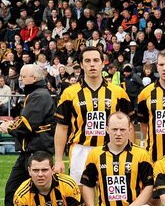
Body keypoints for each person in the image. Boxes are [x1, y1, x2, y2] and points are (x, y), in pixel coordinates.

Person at [53, 47, 133, 181]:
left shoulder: (118, 93)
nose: (92, 64)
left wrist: (130, 152)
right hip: (80, 149)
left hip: (111, 148)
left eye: (96, 60)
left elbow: (129, 126)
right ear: (82, 65)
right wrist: (59, 159)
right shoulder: (69, 93)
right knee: (80, 195)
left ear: (103, 63)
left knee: (111, 195)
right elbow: (62, 127)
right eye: (87, 61)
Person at [0, 64, 55, 206]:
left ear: (34, 78)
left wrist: (8, 127)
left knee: (40, 192)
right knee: (14, 190)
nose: (20, 79)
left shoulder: (39, 95)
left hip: (37, 153)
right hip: (29, 152)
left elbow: (27, 124)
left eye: (23, 76)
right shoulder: (36, 94)